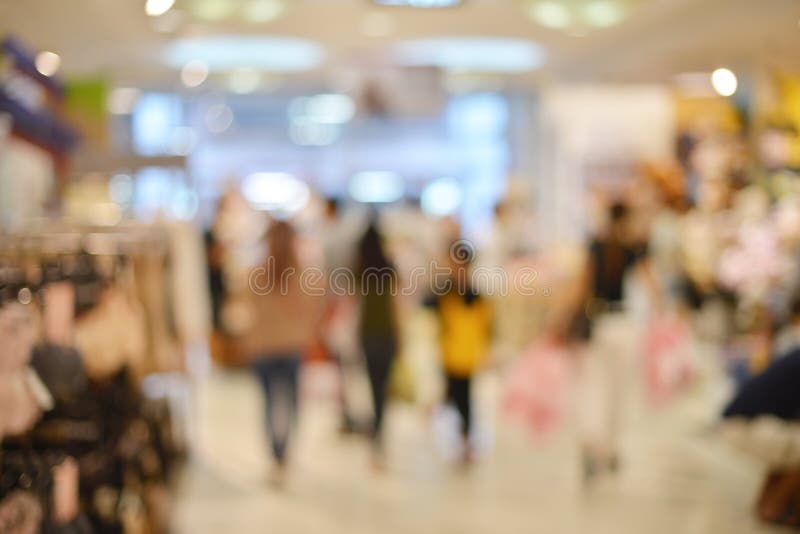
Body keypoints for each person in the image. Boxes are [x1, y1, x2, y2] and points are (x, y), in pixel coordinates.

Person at [572, 200, 656, 481]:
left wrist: (563, 318)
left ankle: (592, 439)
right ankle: (610, 447)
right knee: (617, 392)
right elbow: (651, 285)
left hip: (600, 325)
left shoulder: (597, 246)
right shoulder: (633, 248)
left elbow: (581, 287)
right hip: (623, 326)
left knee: (595, 387)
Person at [238, 220, 323, 484]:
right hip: (290, 346)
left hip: (264, 347)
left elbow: (244, 307)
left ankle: (276, 453)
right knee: (290, 402)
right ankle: (283, 451)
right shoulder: (303, 274)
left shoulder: (256, 272)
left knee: (269, 403)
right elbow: (315, 308)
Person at [425, 239, 492, 465]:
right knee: (453, 395)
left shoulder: (474, 294)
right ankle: (459, 438)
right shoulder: (443, 290)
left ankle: (465, 441)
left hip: (467, 354)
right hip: (448, 353)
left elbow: (484, 325)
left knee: (464, 399)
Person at [356, 222, 399, 467]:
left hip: (368, 334)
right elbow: (395, 305)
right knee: (383, 387)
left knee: (374, 386)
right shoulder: (388, 269)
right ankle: (380, 430)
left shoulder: (360, 269)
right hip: (386, 334)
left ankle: (377, 432)